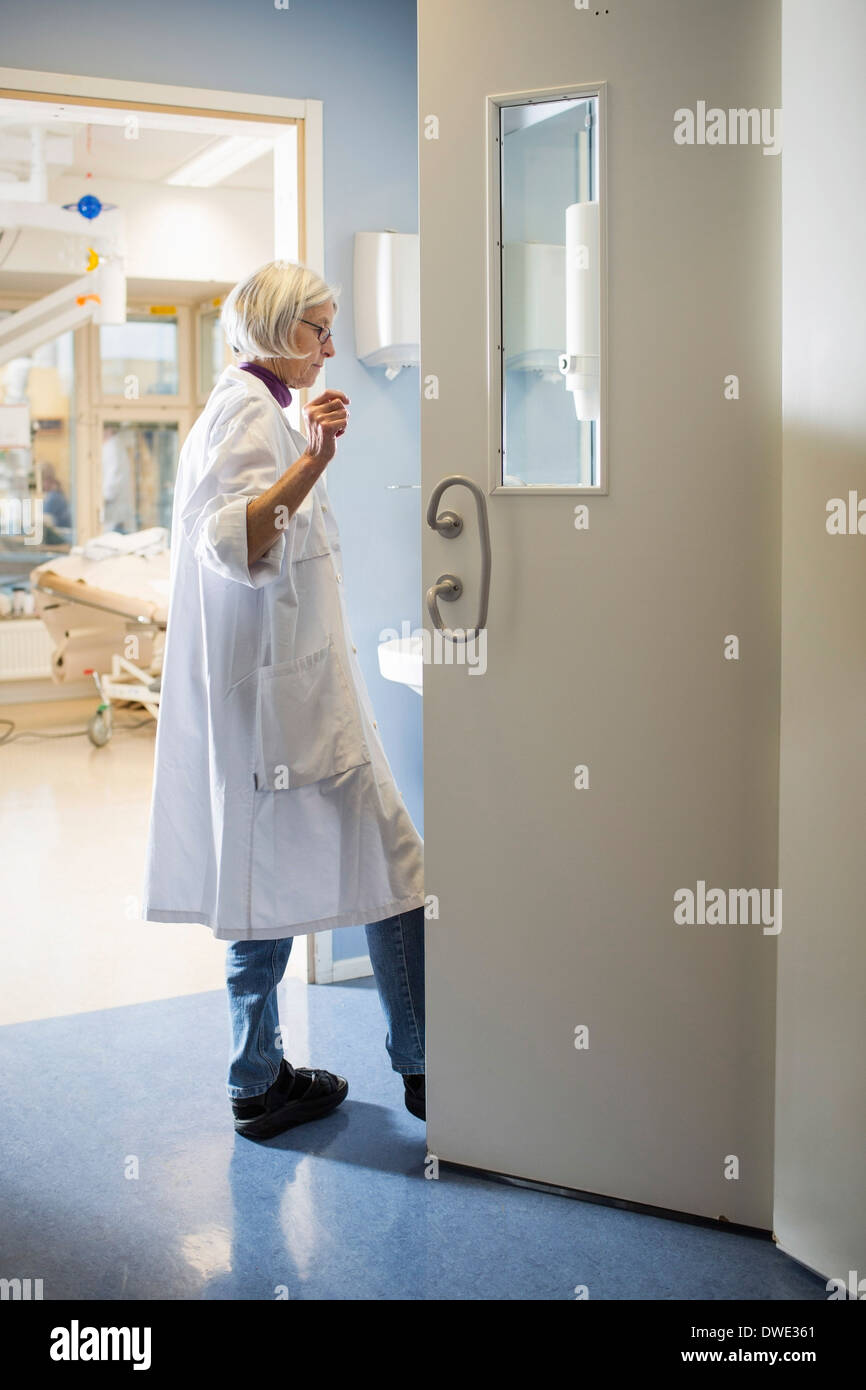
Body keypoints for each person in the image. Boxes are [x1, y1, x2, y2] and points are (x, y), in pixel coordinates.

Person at [141, 260, 426, 1139]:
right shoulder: (243, 411)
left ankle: (264, 1079)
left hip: (286, 695)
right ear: (271, 326)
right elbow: (235, 541)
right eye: (317, 328)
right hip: (276, 701)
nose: (331, 346)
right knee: (386, 873)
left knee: (286, 879)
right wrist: (316, 457)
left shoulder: (261, 404)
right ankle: (419, 1072)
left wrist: (306, 448)